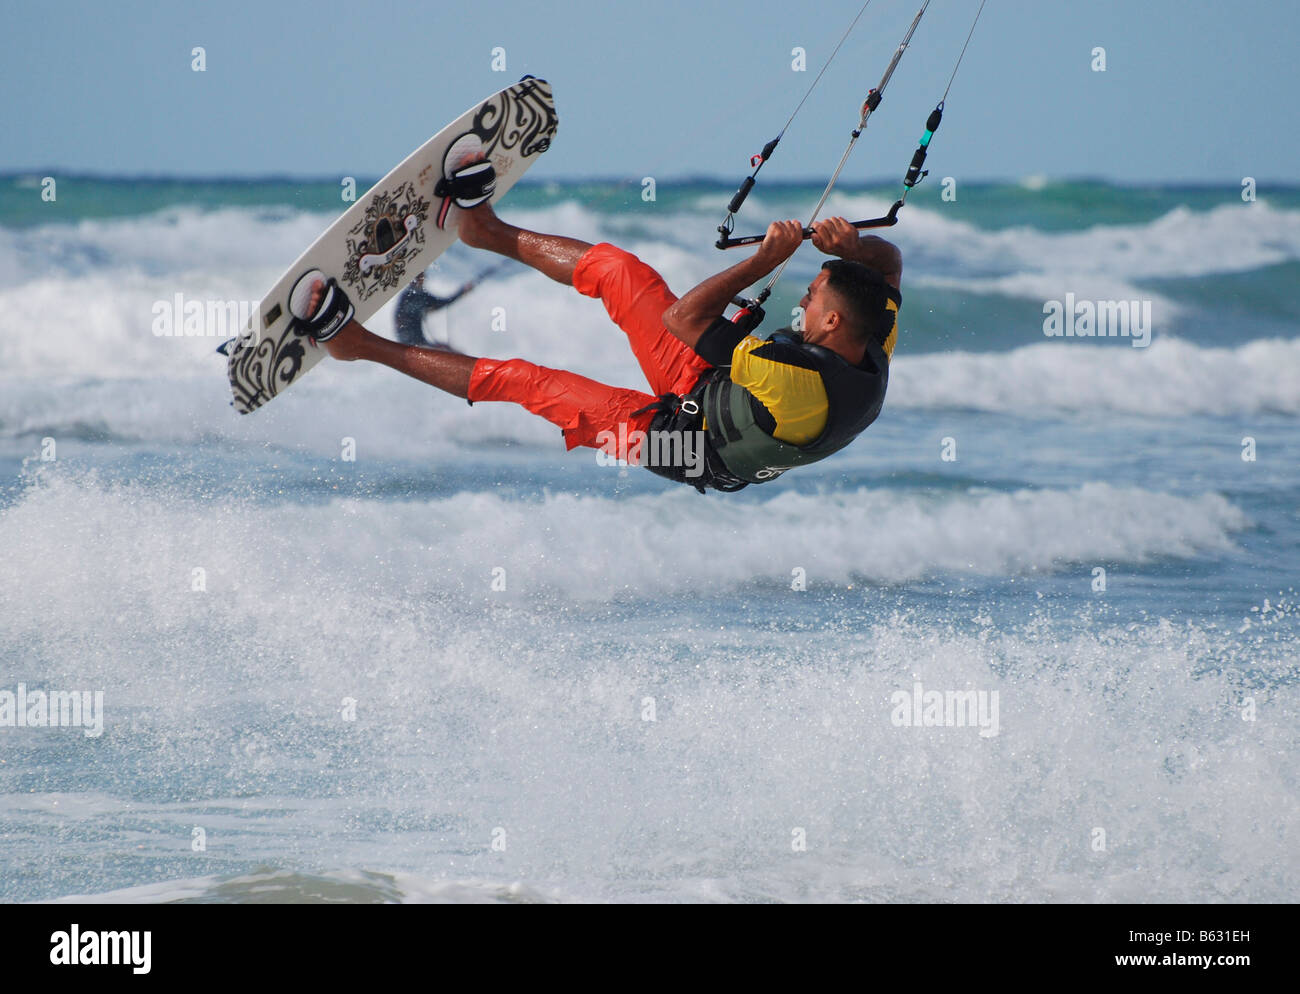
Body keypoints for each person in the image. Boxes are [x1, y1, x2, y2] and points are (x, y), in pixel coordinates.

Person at [301, 161, 901, 493]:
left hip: (682, 447)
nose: (801, 297)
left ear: (829, 320)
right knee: (618, 269)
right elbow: (888, 266)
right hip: (717, 385)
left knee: (527, 381)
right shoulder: (871, 340)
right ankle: (485, 229)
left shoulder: (797, 380)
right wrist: (856, 250)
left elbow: (683, 319)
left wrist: (763, 262)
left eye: (811, 291)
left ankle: (358, 345)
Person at [392, 271, 473, 348]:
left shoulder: (423, 296)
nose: (421, 280)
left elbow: (443, 303)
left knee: (448, 349)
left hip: (420, 342)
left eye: (422, 277)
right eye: (418, 277)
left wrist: (462, 292)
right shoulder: (407, 296)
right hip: (408, 343)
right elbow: (398, 318)